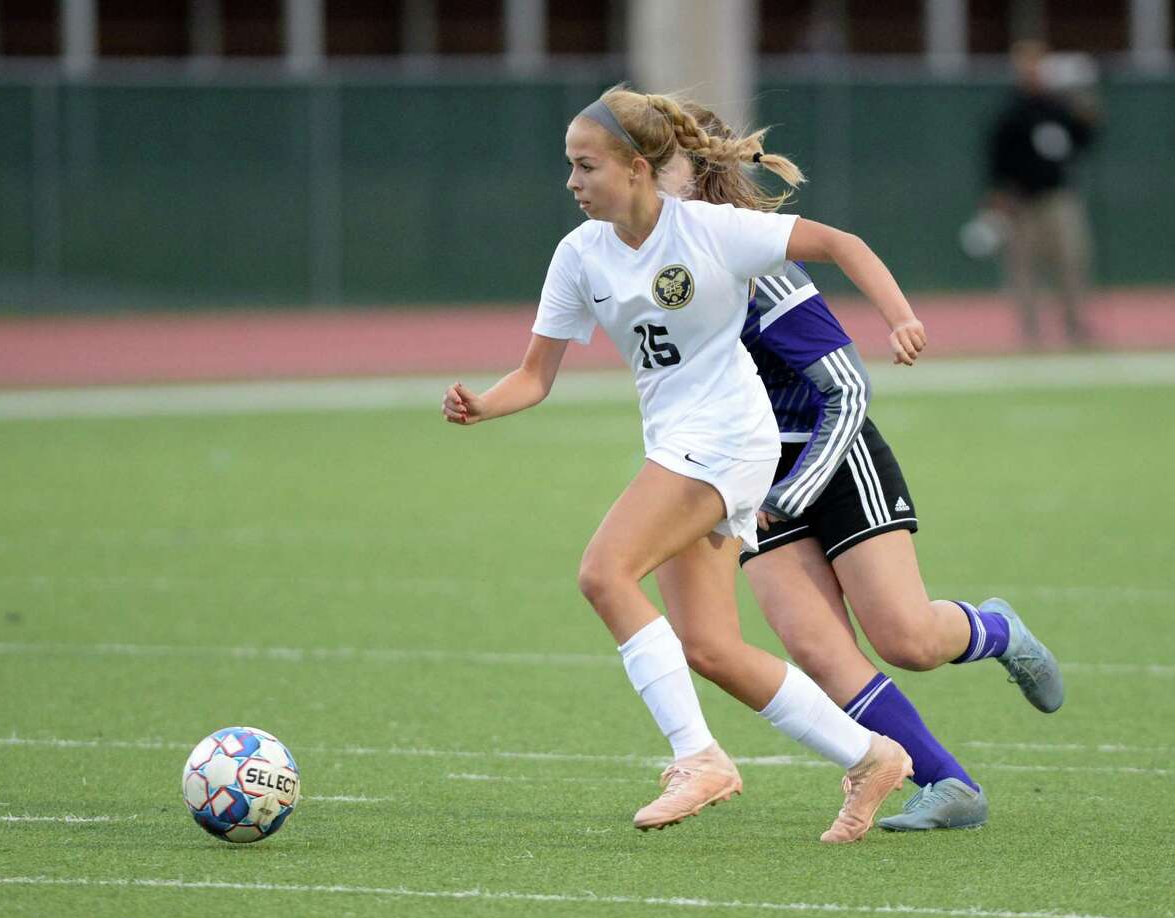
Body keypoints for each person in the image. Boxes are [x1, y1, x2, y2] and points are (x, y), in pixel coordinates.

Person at [443, 85, 915, 843]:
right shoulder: (579, 255)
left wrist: (900, 318)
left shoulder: (710, 231)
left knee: (604, 573)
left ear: (635, 167)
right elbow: (534, 377)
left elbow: (841, 245)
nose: (571, 182)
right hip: (681, 444)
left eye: (585, 166)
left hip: (730, 436)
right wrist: (481, 405)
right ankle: (870, 758)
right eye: (569, 166)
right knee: (711, 648)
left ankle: (699, 758)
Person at [655, 102, 1065, 830]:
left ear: (693, 171)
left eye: (650, 163)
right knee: (817, 649)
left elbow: (847, 388)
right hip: (753, 477)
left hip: (832, 454)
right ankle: (948, 785)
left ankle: (996, 629)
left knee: (906, 640)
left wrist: (797, 486)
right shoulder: (648, 270)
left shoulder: (757, 266)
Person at [986, 40, 1100, 348]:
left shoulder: (1059, 108)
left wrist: (1087, 112)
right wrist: (998, 197)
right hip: (1022, 202)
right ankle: (1031, 335)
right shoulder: (1010, 112)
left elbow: (1084, 140)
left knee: (1072, 263)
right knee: (1023, 270)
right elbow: (996, 158)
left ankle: (1077, 329)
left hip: (1058, 198)